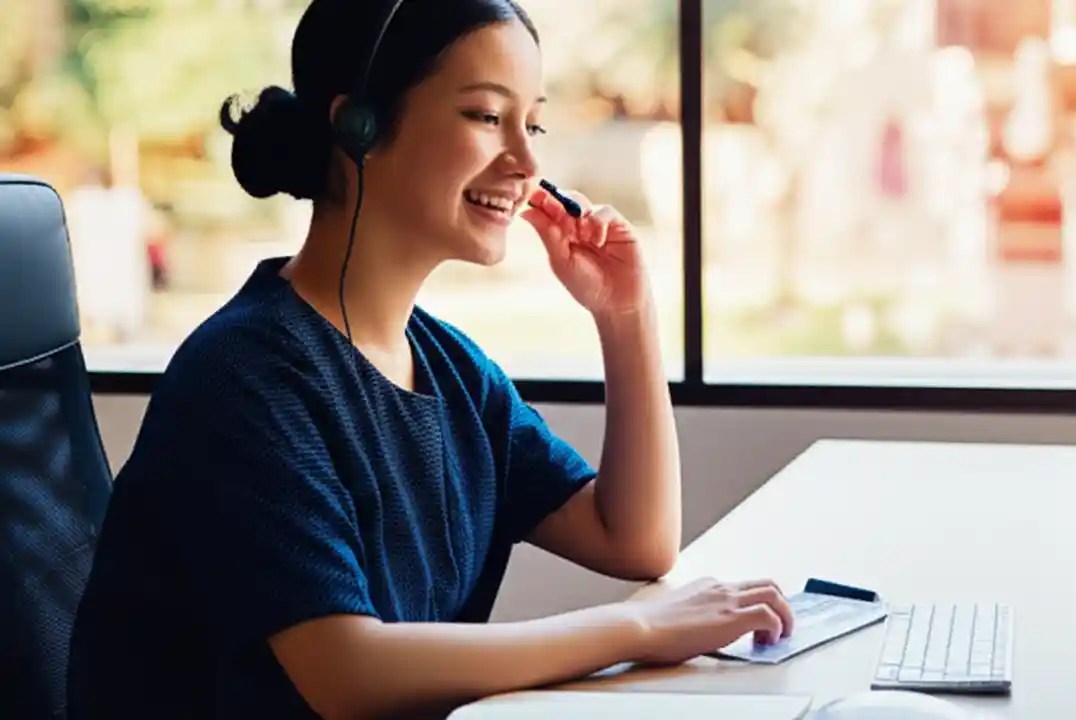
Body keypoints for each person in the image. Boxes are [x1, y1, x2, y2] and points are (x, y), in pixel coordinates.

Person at [66, 2, 797, 719]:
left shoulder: (446, 366)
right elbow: (345, 672)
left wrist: (626, 317)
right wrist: (636, 629)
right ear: (361, 127)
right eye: (486, 116)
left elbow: (633, 539)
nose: (528, 161)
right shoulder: (245, 377)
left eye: (532, 122)